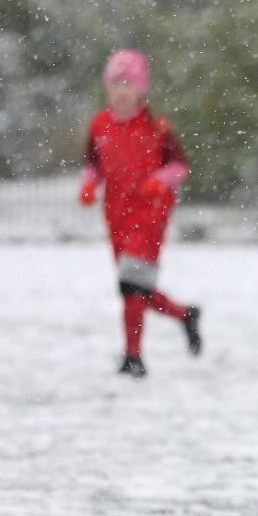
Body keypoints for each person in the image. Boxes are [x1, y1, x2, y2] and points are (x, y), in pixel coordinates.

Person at [79, 49, 201, 378]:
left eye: (128, 83)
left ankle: (133, 357)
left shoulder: (156, 128)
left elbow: (179, 166)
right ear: (107, 87)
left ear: (141, 89)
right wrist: (89, 184)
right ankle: (184, 314)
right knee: (135, 289)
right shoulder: (99, 124)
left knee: (132, 287)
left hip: (149, 218)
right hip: (116, 216)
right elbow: (93, 164)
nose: (122, 90)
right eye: (116, 83)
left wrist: (160, 182)